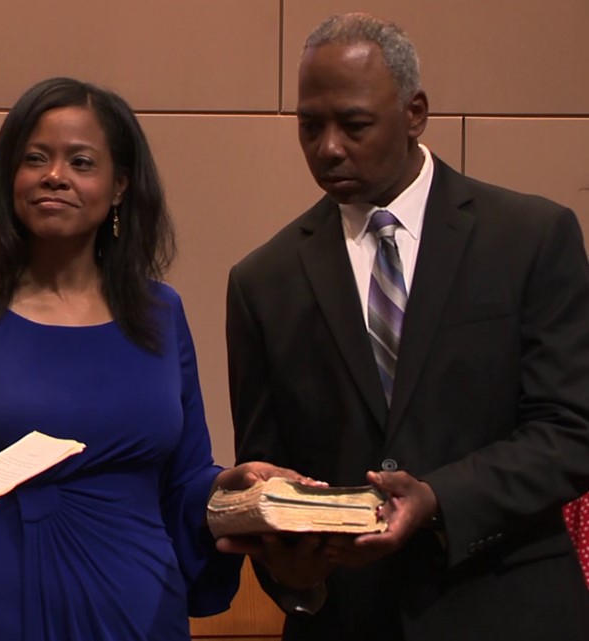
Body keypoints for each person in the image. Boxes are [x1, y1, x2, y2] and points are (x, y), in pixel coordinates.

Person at [0, 77, 296, 641]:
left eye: (80, 161)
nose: (54, 175)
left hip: (140, 602)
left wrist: (231, 486)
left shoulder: (160, 312)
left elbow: (185, 478)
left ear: (119, 187)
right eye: (34, 158)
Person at [222, 12, 589, 641]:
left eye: (354, 124)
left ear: (415, 112)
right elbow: (271, 469)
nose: (328, 147)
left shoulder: (531, 238)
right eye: (310, 127)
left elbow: (572, 430)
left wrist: (437, 500)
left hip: (511, 608)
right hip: (349, 619)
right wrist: (284, 555)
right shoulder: (263, 281)